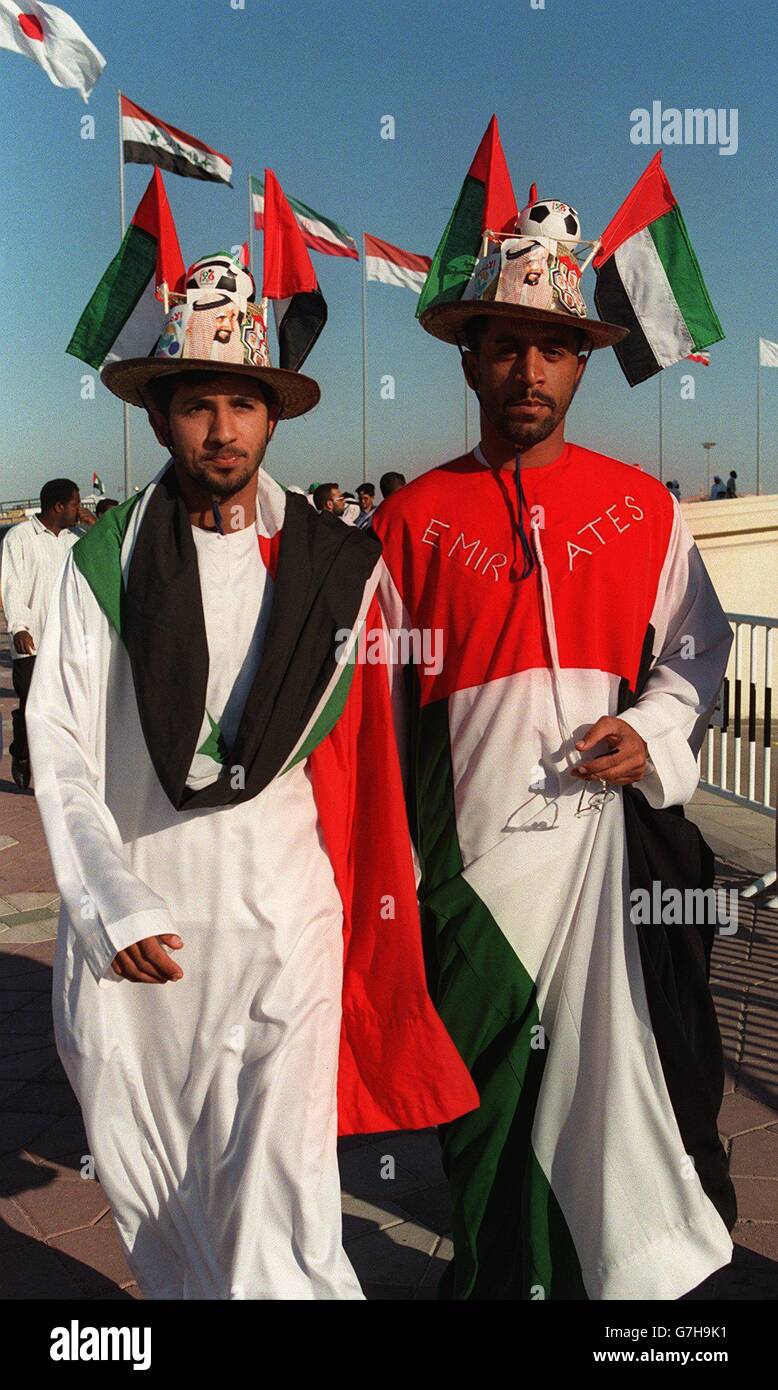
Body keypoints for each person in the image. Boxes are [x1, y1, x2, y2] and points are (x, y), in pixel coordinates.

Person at [26, 251, 477, 1301]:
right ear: (160, 418)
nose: (220, 429)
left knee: (283, 1201)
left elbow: (382, 752)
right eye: (197, 405)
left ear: (274, 418)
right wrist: (104, 898)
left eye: (241, 403)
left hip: (287, 926)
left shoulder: (340, 566)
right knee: (160, 1196)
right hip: (147, 932)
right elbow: (60, 746)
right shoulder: (101, 566)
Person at [372, 198, 736, 1301]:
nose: (530, 367)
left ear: (583, 363)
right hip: (466, 881)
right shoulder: (408, 521)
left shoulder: (643, 511)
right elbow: (372, 720)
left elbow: (698, 652)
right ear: (470, 362)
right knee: (482, 1125)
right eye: (507, 345)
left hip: (602, 873)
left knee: (609, 1105)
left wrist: (653, 727)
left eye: (556, 347)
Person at [0, 478, 81, 789]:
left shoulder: (76, 540)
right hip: (31, 643)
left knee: (64, 710)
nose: (79, 509)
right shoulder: (19, 537)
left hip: (66, 643)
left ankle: (57, 773)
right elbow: (12, 587)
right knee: (34, 709)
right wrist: (19, 627)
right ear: (58, 506)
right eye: (75, 503)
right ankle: (22, 752)